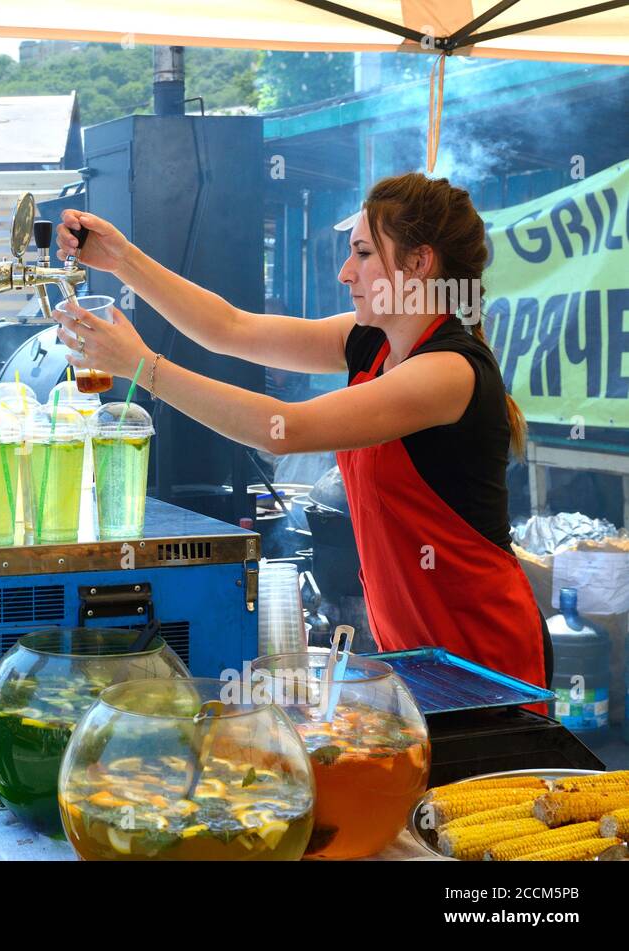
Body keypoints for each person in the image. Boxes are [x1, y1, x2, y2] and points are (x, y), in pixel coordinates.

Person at [54, 172, 549, 690]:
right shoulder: (370, 342)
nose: (344, 273)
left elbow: (282, 430)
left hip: (484, 654)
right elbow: (230, 329)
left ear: (419, 263)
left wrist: (143, 367)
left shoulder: (448, 371)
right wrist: (123, 259)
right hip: (415, 648)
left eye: (362, 253)